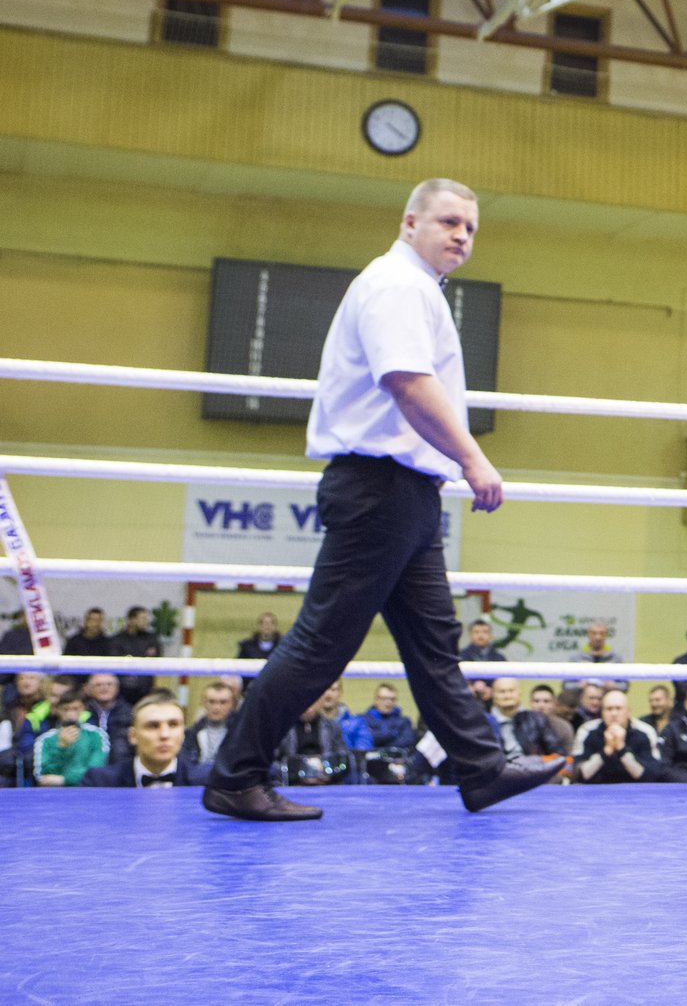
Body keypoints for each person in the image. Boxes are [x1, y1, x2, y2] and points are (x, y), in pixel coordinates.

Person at [202, 179, 561, 822]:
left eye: (471, 228)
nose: (461, 236)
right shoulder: (397, 285)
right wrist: (472, 456)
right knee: (321, 643)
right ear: (409, 222)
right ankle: (235, 776)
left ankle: (480, 769)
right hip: (380, 486)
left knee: (432, 643)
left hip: (404, 491)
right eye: (449, 221)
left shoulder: (418, 287)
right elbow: (406, 381)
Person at [84, 693, 210, 788]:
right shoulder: (101, 782)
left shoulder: (205, 781)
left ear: (183, 734)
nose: (164, 735)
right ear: (133, 736)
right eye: (153, 726)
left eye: (173, 725)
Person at [573, 689, 661, 784]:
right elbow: (580, 775)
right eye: (609, 709)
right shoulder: (587, 731)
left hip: (635, 792)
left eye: (618, 708)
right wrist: (606, 751)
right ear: (602, 712)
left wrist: (622, 750)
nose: (614, 714)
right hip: (596, 792)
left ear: (628, 711)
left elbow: (651, 776)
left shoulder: (645, 732)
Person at [33, 695, 110, 786]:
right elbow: (42, 775)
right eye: (65, 709)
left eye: (75, 709)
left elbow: (97, 770)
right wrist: (61, 748)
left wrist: (64, 779)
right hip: (55, 793)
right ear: (57, 710)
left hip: (88, 791)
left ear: (83, 709)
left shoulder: (96, 735)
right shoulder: (45, 739)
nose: (70, 713)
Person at [487, 678, 562, 761]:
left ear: (519, 692)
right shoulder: (484, 722)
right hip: (498, 770)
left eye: (511, 691)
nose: (507, 696)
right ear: (493, 695)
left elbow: (557, 752)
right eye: (502, 691)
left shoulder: (536, 719)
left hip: (534, 769)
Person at [110, 605, 162, 704]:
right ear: (131, 620)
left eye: (146, 618)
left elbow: (156, 659)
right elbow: (117, 662)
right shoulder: (117, 640)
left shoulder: (151, 638)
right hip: (122, 689)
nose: (146, 621)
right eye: (142, 618)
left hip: (145, 688)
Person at [183, 681, 239, 767]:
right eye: (212, 702)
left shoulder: (240, 733)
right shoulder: (191, 733)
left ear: (232, 705)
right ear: (204, 703)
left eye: (223, 702)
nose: (217, 707)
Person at [565, 622, 627, 692]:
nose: (598, 637)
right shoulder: (576, 658)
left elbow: (625, 686)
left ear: (606, 635)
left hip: (607, 697)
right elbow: (566, 685)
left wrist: (613, 686)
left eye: (601, 633)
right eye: (594, 633)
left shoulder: (615, 659)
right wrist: (580, 685)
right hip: (582, 699)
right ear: (588, 634)